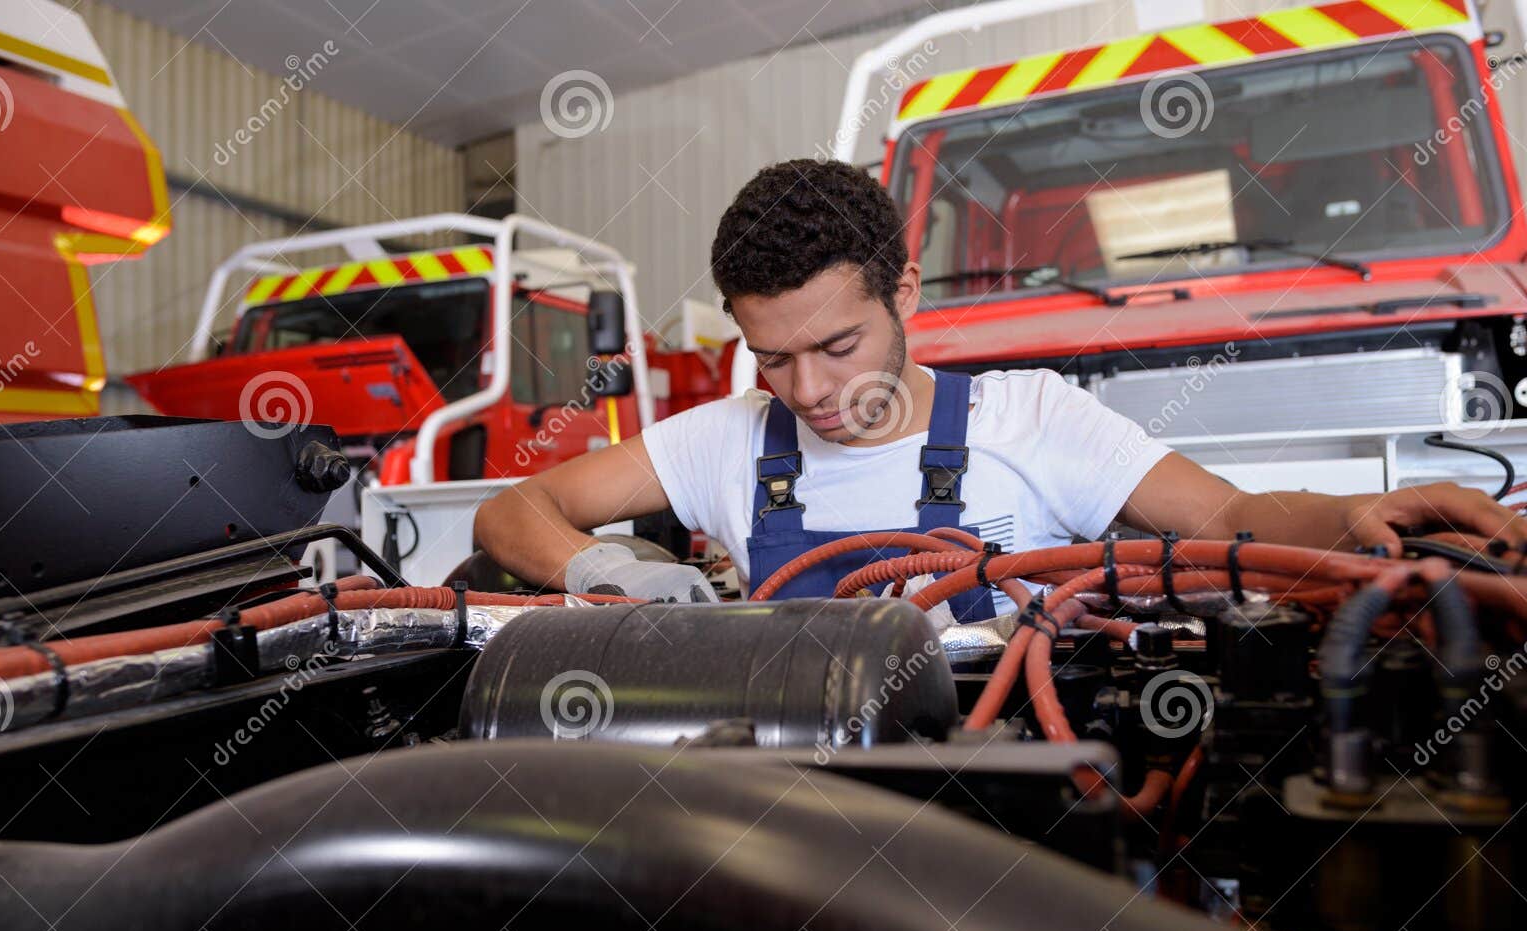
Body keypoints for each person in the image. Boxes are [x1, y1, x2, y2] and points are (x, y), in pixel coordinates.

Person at [474, 159, 1526, 617]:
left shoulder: (1032, 416)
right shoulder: (724, 441)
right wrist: (608, 574)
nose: (807, 389)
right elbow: (516, 507)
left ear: (905, 293)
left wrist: (1354, 519)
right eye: (772, 357)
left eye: (837, 345)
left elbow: (1229, 519)